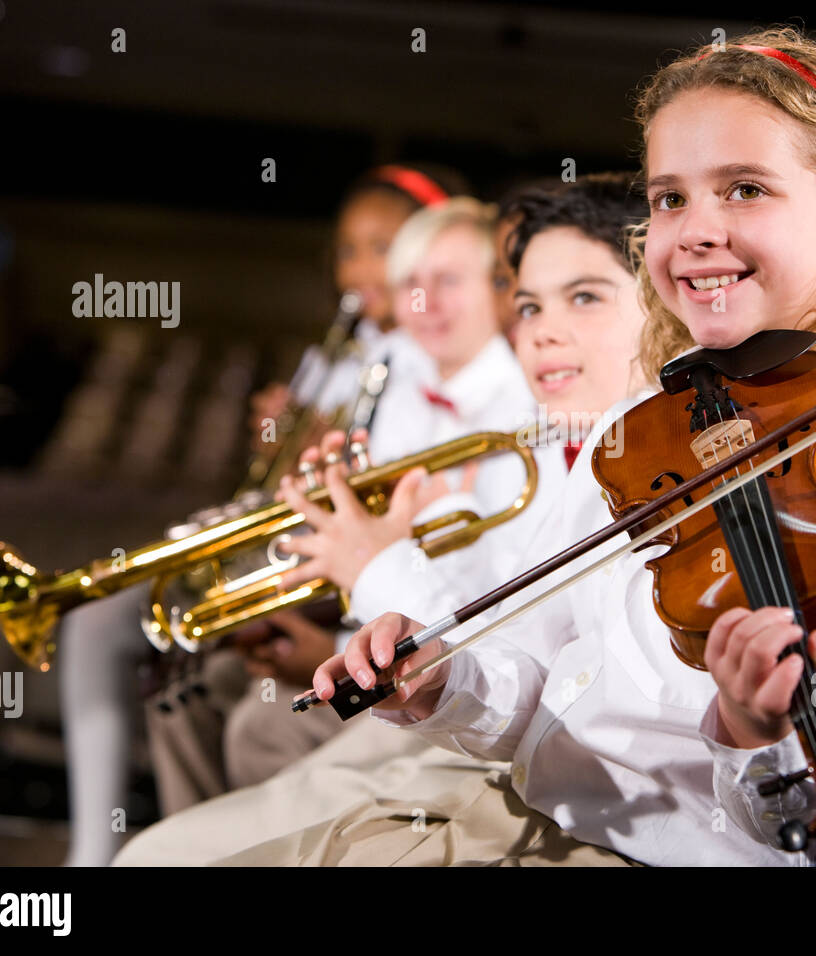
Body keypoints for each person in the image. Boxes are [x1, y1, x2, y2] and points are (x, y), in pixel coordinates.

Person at [286, 26, 816, 866]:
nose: (692, 232)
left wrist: (751, 729)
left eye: (746, 189)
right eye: (670, 198)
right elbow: (532, 673)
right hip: (507, 808)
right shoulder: (656, 422)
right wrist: (442, 676)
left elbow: (800, 826)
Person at [111, 172, 653, 865]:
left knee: (218, 787)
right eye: (530, 307)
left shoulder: (563, 432)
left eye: (582, 298)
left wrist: (379, 576)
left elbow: (535, 677)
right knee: (180, 738)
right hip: (468, 728)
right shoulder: (560, 436)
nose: (541, 333)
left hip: (533, 776)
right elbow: (511, 654)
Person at [56, 165, 458, 867]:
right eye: (348, 249)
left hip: (345, 600)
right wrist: (277, 439)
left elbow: (398, 507)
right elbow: (284, 488)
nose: (361, 269)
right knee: (167, 680)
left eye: (382, 247)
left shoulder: (433, 363)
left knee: (241, 711)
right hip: (302, 568)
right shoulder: (336, 357)